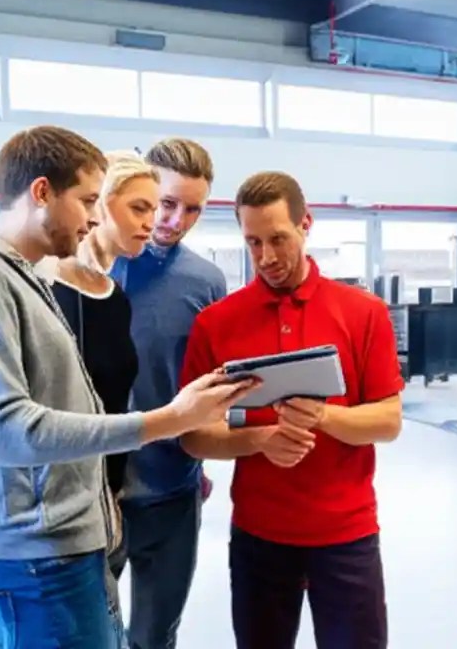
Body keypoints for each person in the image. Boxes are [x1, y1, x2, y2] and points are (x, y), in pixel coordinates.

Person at [0, 125, 257, 649]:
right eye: (88, 201)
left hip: (77, 533)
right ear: (41, 194)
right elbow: (10, 431)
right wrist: (165, 421)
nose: (95, 217)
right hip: (34, 549)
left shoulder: (27, 281)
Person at [179, 170, 405, 649]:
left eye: (278, 238)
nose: (267, 257)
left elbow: (387, 421)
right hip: (260, 537)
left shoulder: (364, 313)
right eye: (253, 242)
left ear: (307, 225)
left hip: (346, 534)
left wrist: (323, 416)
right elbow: (194, 436)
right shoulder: (216, 324)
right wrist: (258, 440)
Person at [109, 137, 227, 649]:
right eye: (166, 202)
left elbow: (209, 384)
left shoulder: (206, 282)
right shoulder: (90, 268)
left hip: (172, 490)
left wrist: (199, 460)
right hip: (98, 493)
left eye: (193, 209)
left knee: (156, 636)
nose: (176, 220)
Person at [45, 149, 163, 623]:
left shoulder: (116, 298)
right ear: (100, 204)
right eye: (139, 208)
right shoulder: (47, 289)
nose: (151, 223)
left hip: (109, 505)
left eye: (154, 210)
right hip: (59, 518)